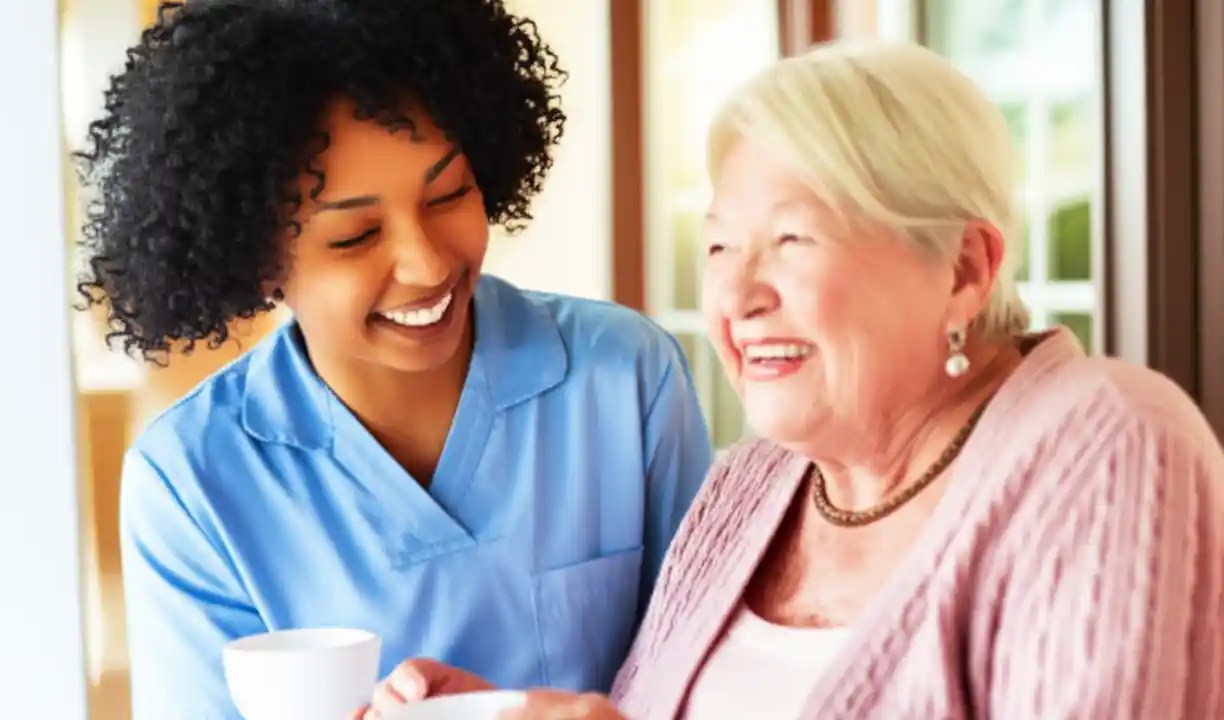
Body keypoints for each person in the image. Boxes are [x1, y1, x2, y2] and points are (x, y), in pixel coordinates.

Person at [371, 40, 1224, 720]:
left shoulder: (1107, 442)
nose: (737, 298)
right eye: (718, 246)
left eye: (792, 240)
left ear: (964, 267)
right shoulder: (750, 485)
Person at [74, 1, 713, 717]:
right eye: (355, 236)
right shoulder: (191, 479)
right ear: (258, 261)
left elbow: (723, 681)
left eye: (449, 194)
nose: (425, 262)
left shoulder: (623, 376)